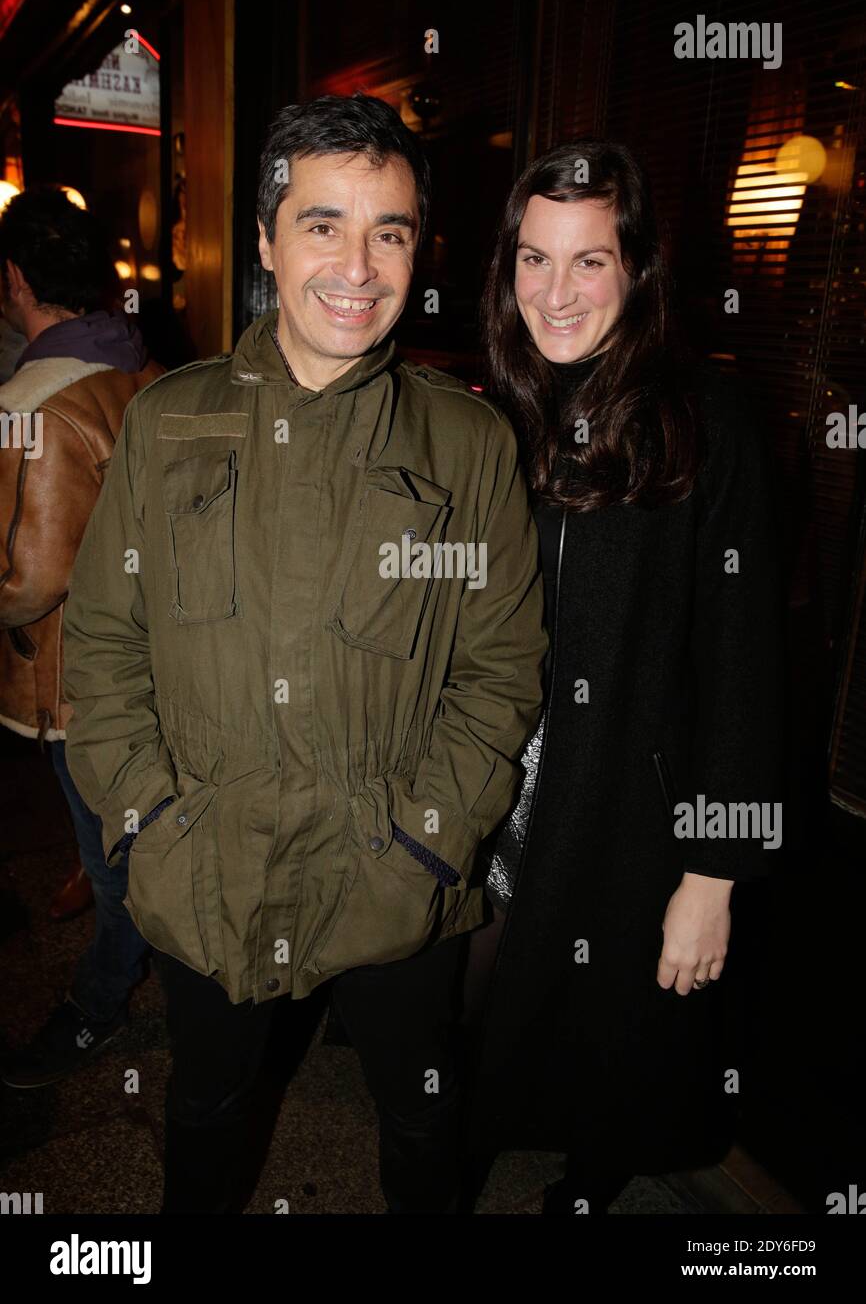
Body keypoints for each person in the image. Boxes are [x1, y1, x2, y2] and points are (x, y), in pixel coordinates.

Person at [61, 93, 547, 1214]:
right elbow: (101, 641)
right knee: (209, 1113)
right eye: (323, 224)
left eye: (389, 230)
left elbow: (497, 670)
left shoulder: (465, 439)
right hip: (206, 866)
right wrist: (147, 822)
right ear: (268, 241)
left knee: (421, 1115)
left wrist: (423, 849)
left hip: (392, 875)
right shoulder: (165, 419)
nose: (358, 265)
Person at [463, 139, 784, 1213]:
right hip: (495, 786)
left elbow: (746, 664)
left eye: (588, 261)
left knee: (612, 1036)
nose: (556, 293)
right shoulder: (496, 413)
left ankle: (589, 1176)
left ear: (637, 269)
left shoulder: (705, 424)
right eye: (532, 259)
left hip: (626, 804)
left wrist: (713, 871)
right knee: (483, 1004)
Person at [0, 187, 162, 1087]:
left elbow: (28, 582)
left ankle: (101, 1002)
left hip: (75, 684)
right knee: (127, 844)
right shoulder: (138, 365)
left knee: (113, 870)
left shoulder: (32, 400)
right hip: (148, 660)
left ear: (15, 277)